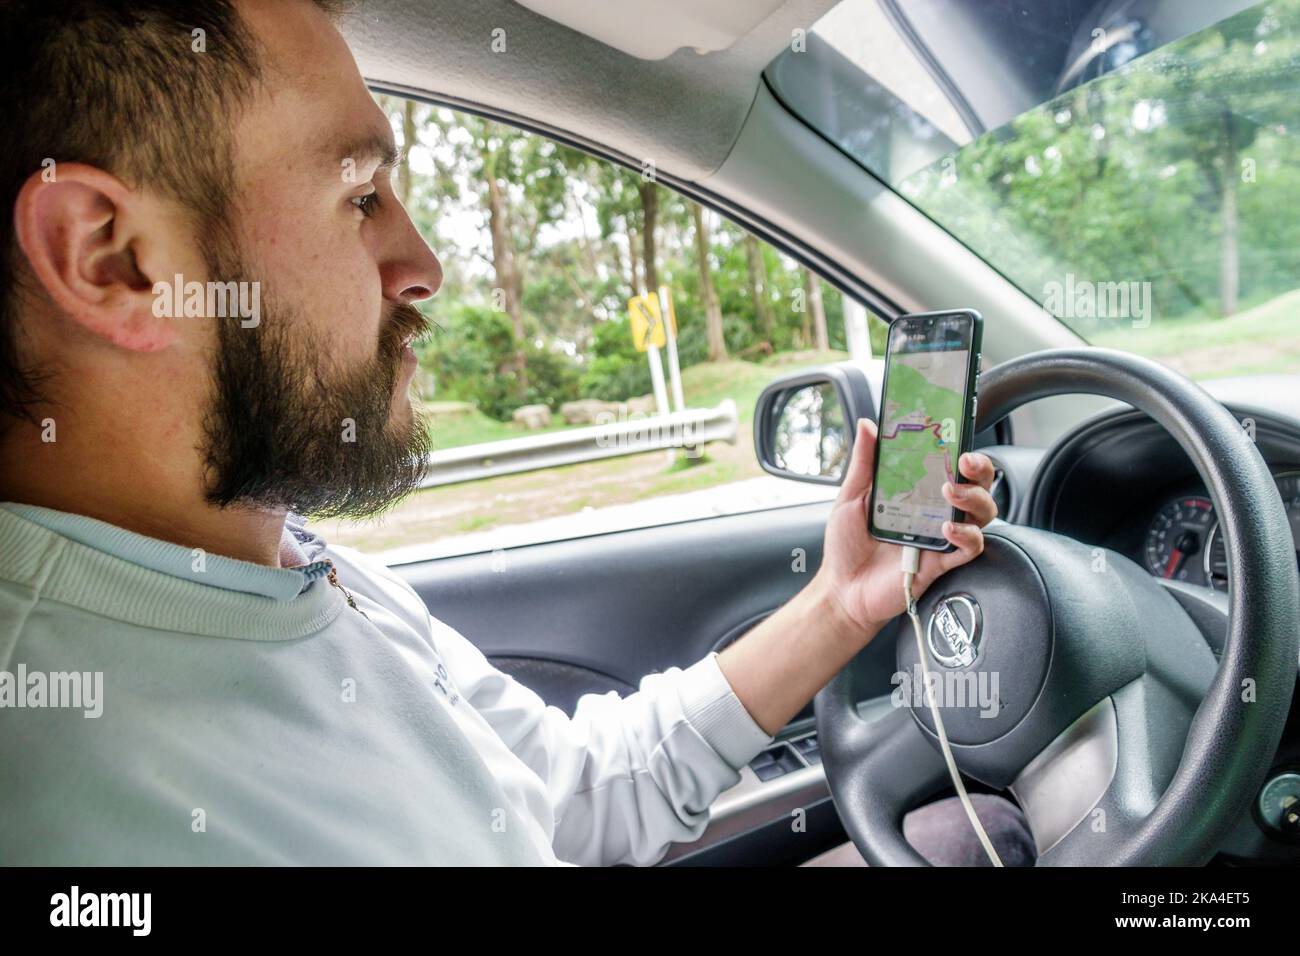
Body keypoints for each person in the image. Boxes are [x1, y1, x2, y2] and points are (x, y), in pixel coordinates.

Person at [0, 0, 1026, 865]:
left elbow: (569, 792)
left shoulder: (289, 558)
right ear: (110, 258)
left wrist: (841, 606)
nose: (422, 264)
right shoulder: (81, 807)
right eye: (358, 195)